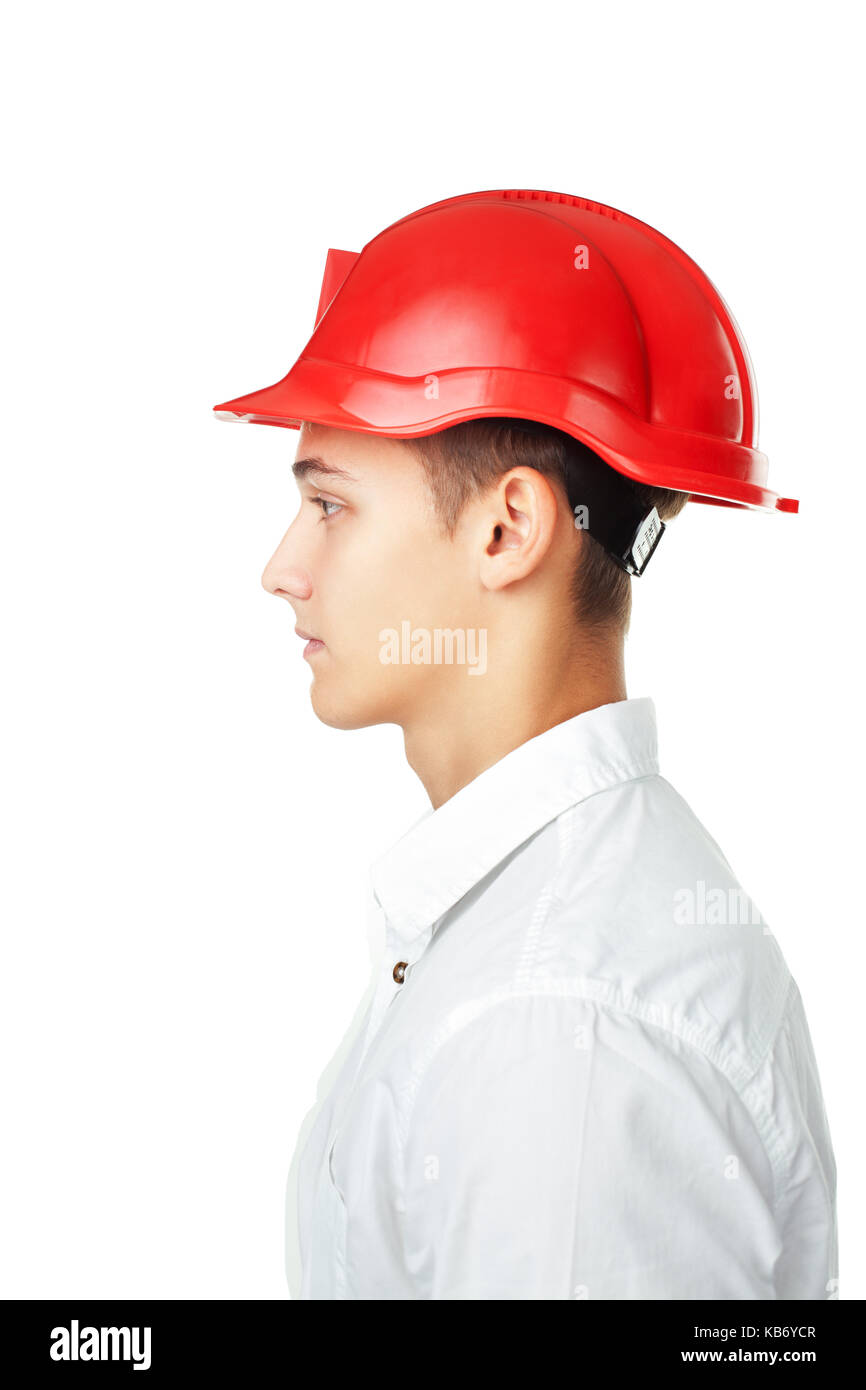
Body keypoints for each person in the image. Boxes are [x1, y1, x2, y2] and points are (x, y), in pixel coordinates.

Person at [215, 190, 838, 1300]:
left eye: (330, 504)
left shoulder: (559, 1028)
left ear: (507, 529)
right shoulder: (528, 936)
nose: (281, 567)